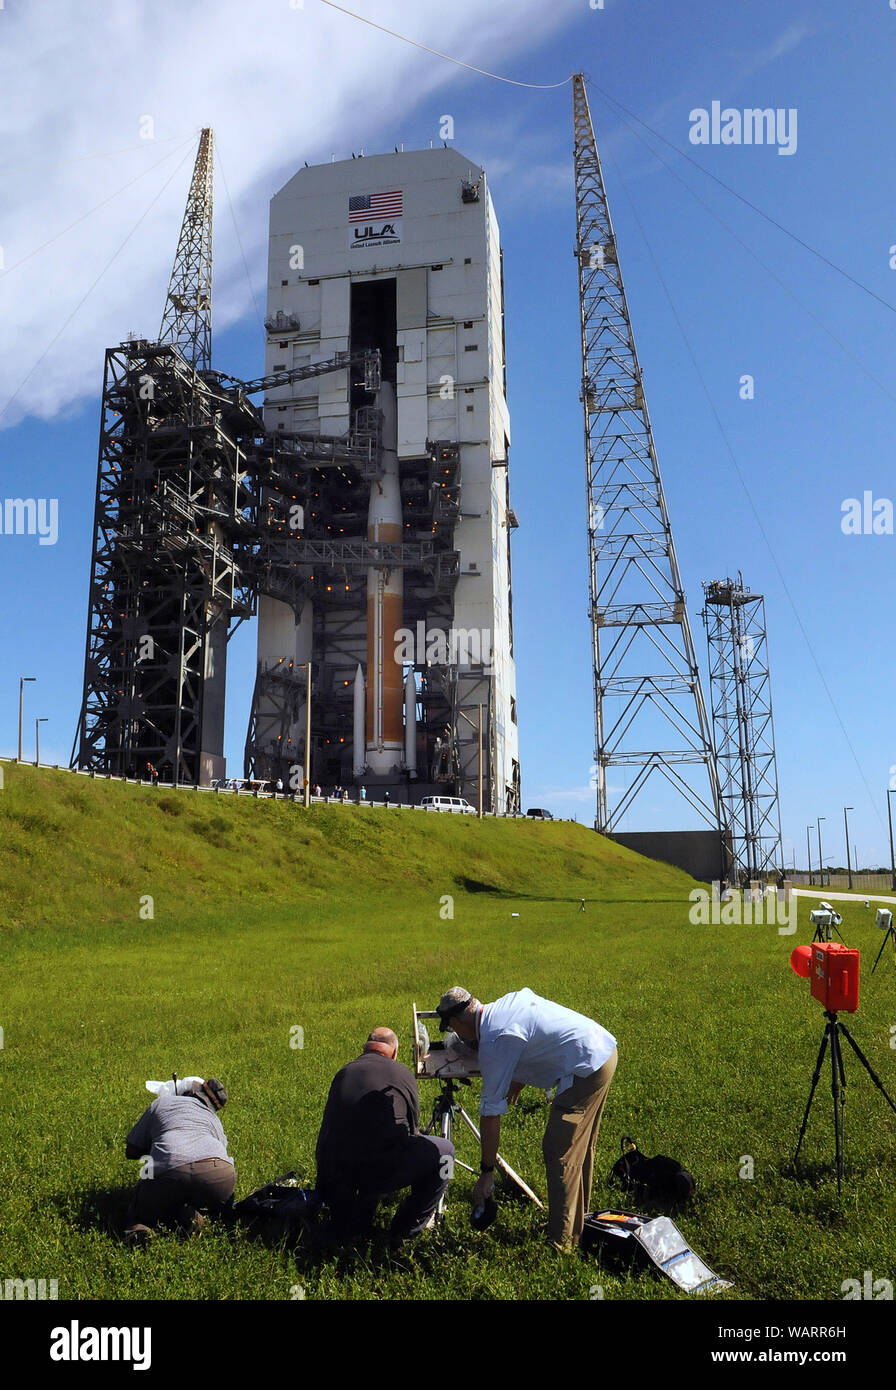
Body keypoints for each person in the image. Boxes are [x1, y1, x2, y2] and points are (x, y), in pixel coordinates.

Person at [435, 986, 617, 1252]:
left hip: (586, 1068)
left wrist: (486, 1173)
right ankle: (574, 1222)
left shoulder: (496, 1040)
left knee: (560, 1152)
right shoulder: (499, 1009)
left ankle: (561, 1243)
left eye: (452, 1029)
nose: (455, 1036)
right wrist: (518, 1080)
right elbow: (529, 1034)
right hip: (601, 1050)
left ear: (459, 1022)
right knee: (578, 1149)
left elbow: (490, 1113)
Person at [315, 1027, 454, 1248]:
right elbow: (413, 1132)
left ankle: (355, 1216)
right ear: (395, 1051)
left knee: (368, 1140)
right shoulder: (401, 1072)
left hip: (330, 1176)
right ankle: (405, 1230)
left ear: (365, 1048)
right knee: (444, 1150)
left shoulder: (344, 1071)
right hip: (372, 1173)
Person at [123, 1078, 235, 1242]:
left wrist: (156, 1150)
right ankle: (194, 1219)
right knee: (194, 1196)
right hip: (220, 1175)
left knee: (142, 1203)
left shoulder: (161, 1103)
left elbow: (131, 1151)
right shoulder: (213, 1118)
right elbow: (221, 1150)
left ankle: (139, 1229)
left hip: (170, 1172)